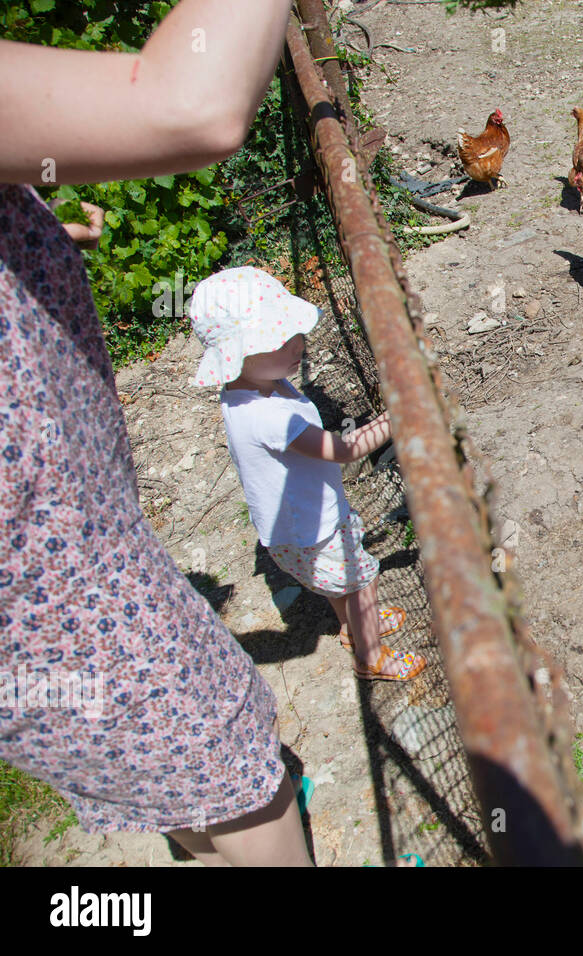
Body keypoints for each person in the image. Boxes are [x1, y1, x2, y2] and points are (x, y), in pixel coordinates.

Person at [0, 0, 314, 865]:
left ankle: (200, 833)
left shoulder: (244, 404)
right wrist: (365, 443)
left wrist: (28, 240)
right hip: (55, 587)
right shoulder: (276, 412)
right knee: (233, 758)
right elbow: (192, 102)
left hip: (65, 563)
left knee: (169, 767)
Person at [189, 266, 425, 681]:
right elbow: (344, 449)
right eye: (278, 339)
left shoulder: (250, 386)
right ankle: (371, 657)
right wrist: (398, 415)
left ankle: (353, 627)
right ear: (240, 352)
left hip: (295, 529)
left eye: (294, 332)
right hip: (314, 529)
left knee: (344, 583)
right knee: (361, 581)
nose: (297, 344)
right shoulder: (269, 416)